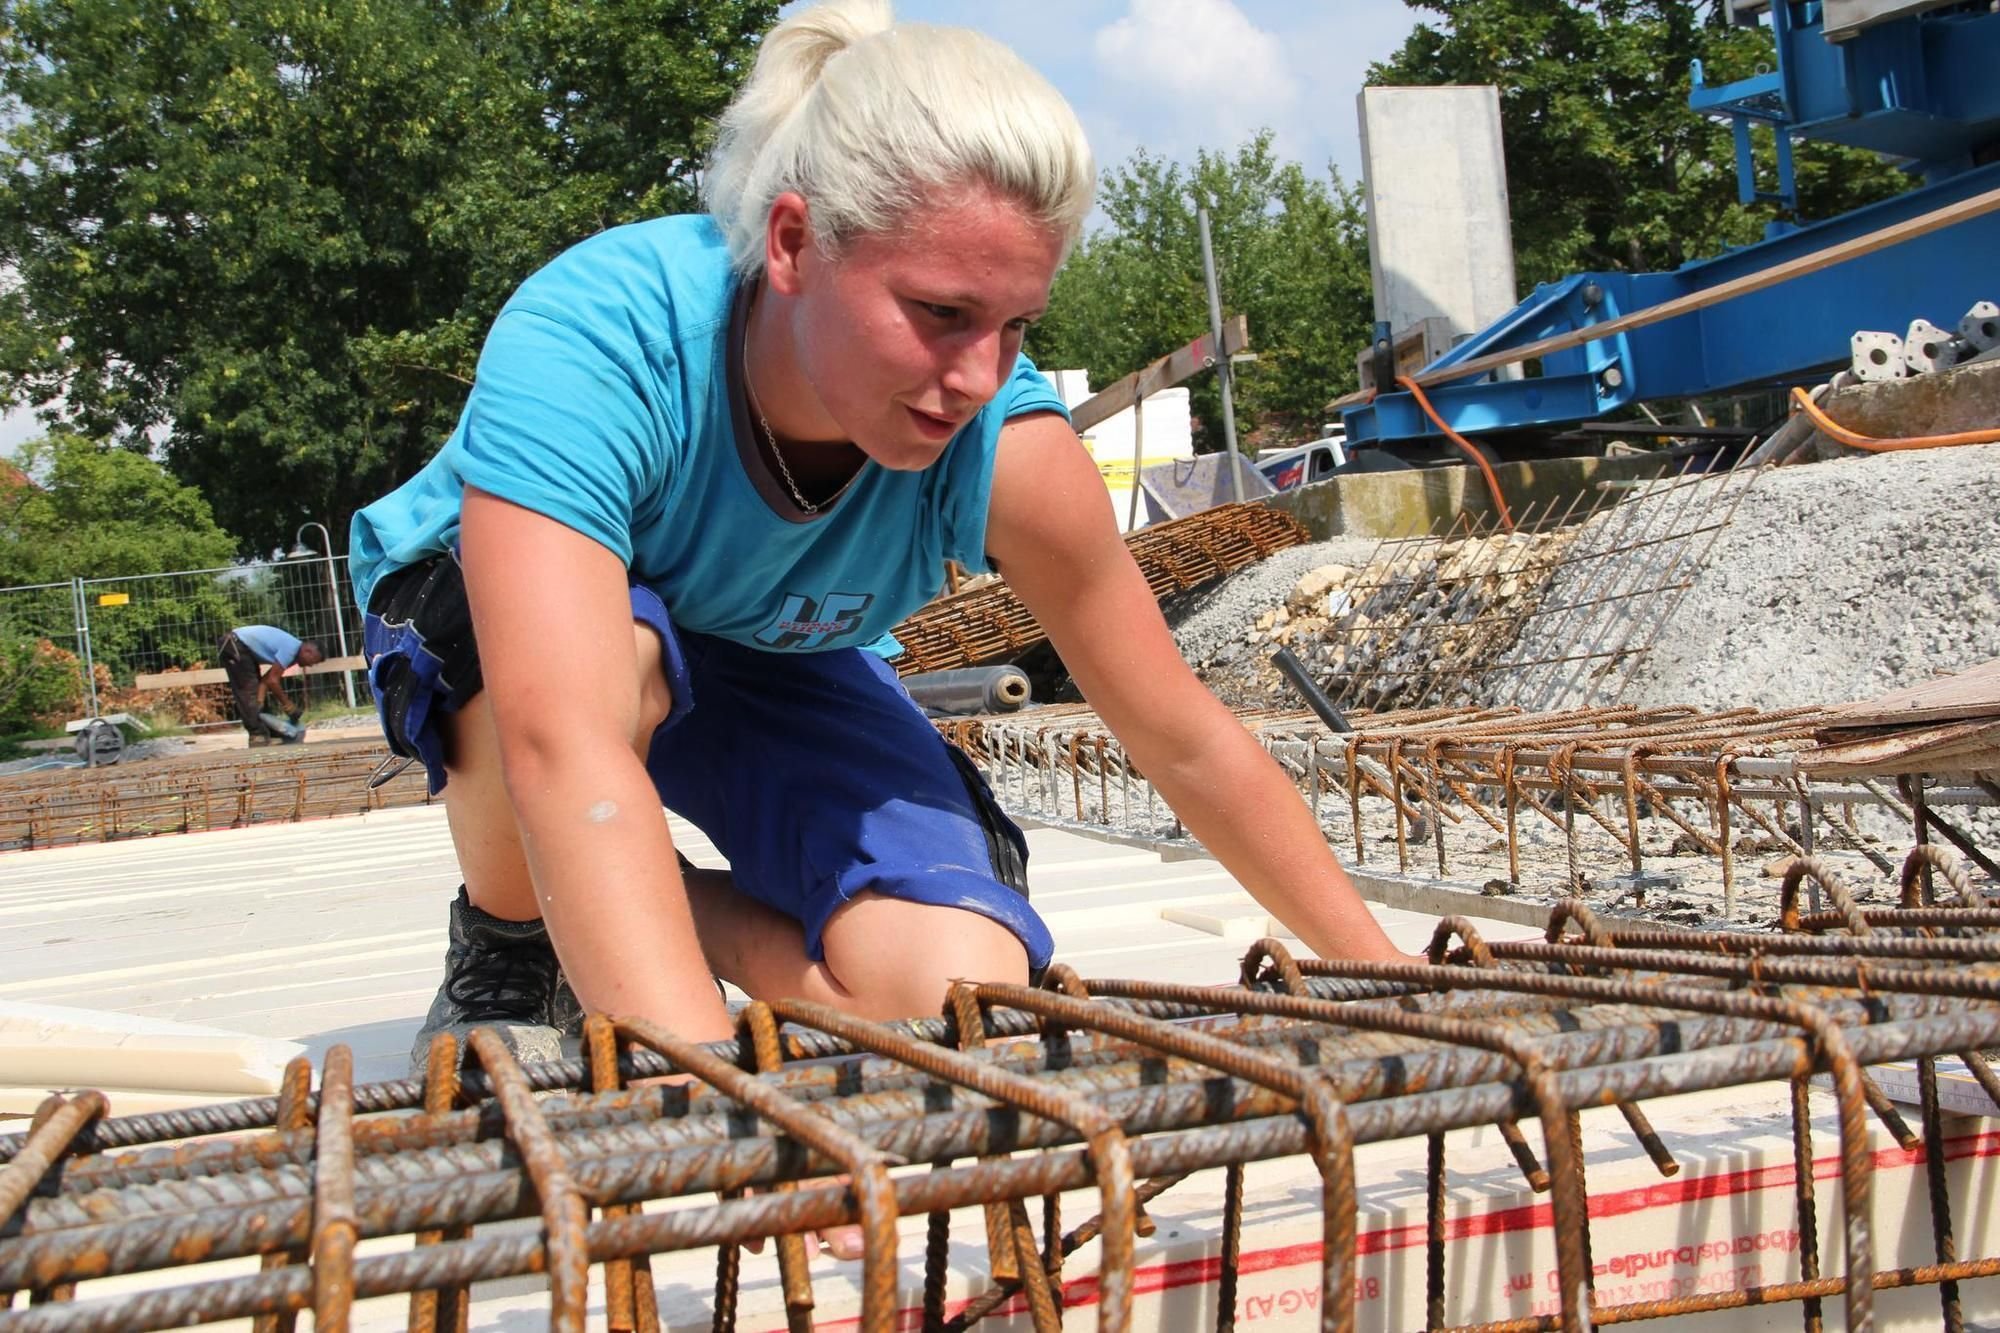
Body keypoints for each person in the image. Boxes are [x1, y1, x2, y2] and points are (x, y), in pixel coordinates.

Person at [350, 0, 1416, 1087]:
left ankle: (642, 901)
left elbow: (1179, 735)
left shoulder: (1008, 449)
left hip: (763, 648)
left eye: (1014, 325)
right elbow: (561, 741)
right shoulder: (601, 342)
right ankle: (512, 943)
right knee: (609, 668)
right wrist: (707, 1093)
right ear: (793, 244)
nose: (976, 377)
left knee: (951, 990)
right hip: (542, 644)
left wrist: (1383, 978)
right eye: (940, 312)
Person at [218, 625, 323, 746]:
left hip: (239, 645)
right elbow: (273, 681)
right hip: (235, 644)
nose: (310, 665)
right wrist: (288, 705)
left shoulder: (293, 654)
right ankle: (258, 736)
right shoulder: (291, 649)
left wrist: (260, 700)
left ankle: (266, 733)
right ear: (308, 651)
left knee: (254, 693)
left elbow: (266, 680)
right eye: (313, 661)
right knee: (248, 691)